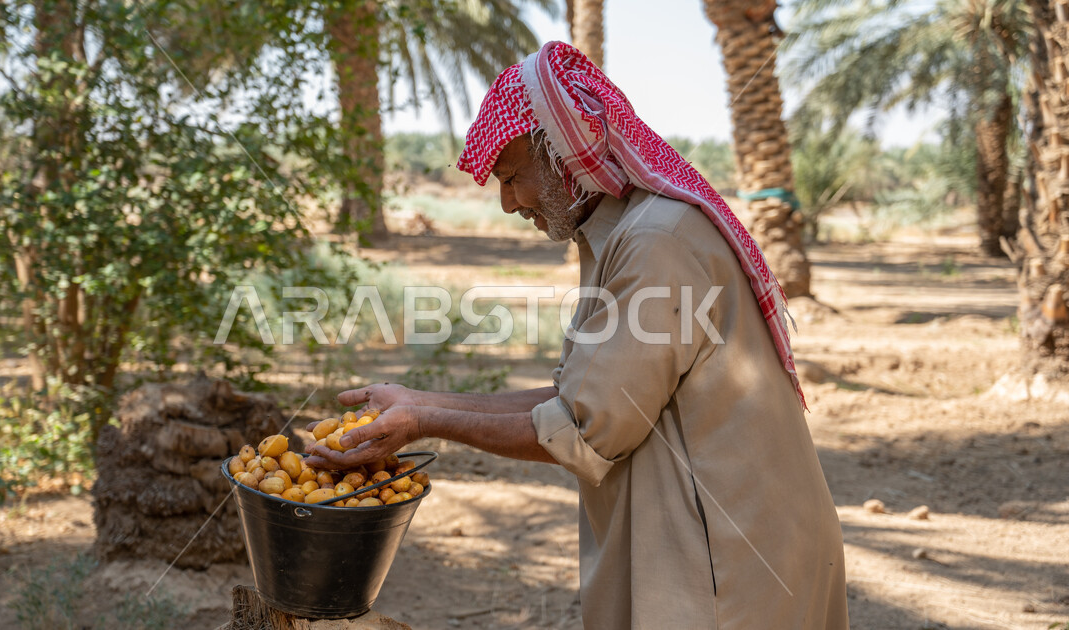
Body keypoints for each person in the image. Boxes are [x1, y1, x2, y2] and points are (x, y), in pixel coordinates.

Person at [305, 41, 848, 629]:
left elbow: (580, 432)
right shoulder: (629, 233)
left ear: (564, 153)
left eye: (512, 177)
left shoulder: (655, 244)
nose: (509, 203)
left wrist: (423, 423)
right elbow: (576, 402)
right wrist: (418, 402)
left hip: (730, 562)